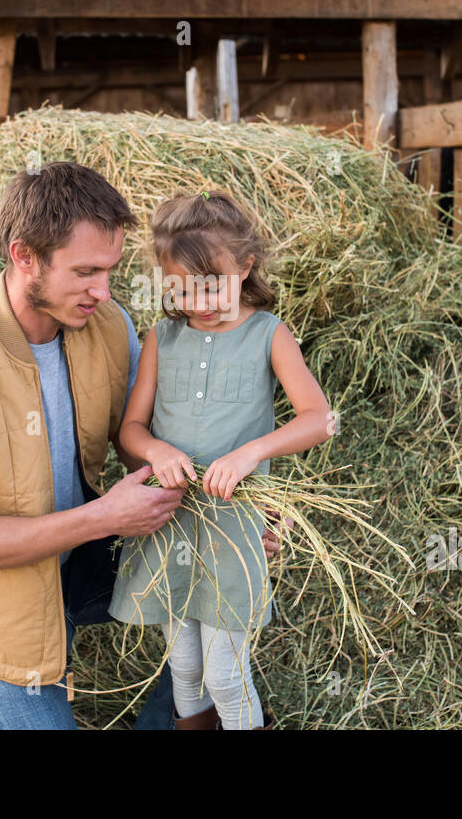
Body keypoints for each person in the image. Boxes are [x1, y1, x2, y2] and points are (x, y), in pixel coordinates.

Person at [0, 163, 283, 730]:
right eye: (85, 272)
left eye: (110, 270)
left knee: (212, 590)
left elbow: (140, 443)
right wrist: (104, 516)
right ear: (24, 255)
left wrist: (240, 515)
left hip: (90, 555)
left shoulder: (108, 325)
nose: (103, 292)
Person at [109, 190, 333, 730]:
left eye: (213, 284)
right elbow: (129, 432)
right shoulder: (162, 338)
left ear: (246, 264)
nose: (200, 300)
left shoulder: (268, 335)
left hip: (234, 526)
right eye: (182, 289)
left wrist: (253, 451)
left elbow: (319, 419)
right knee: (184, 667)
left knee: (226, 674)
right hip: (170, 522)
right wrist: (156, 449)